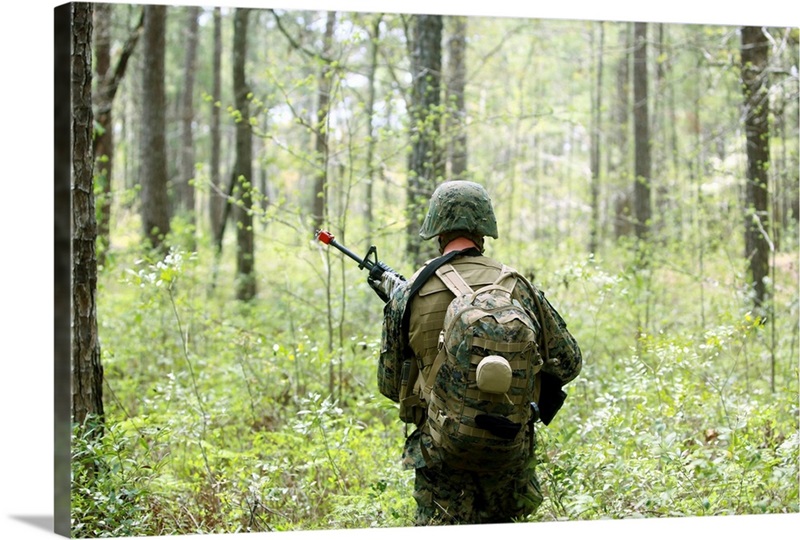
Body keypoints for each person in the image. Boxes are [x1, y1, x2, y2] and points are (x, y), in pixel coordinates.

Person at [376, 180, 582, 525]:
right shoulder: (518, 287)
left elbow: (388, 384)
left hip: (441, 455)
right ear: (485, 230)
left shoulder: (410, 293)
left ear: (436, 229)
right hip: (509, 452)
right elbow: (569, 363)